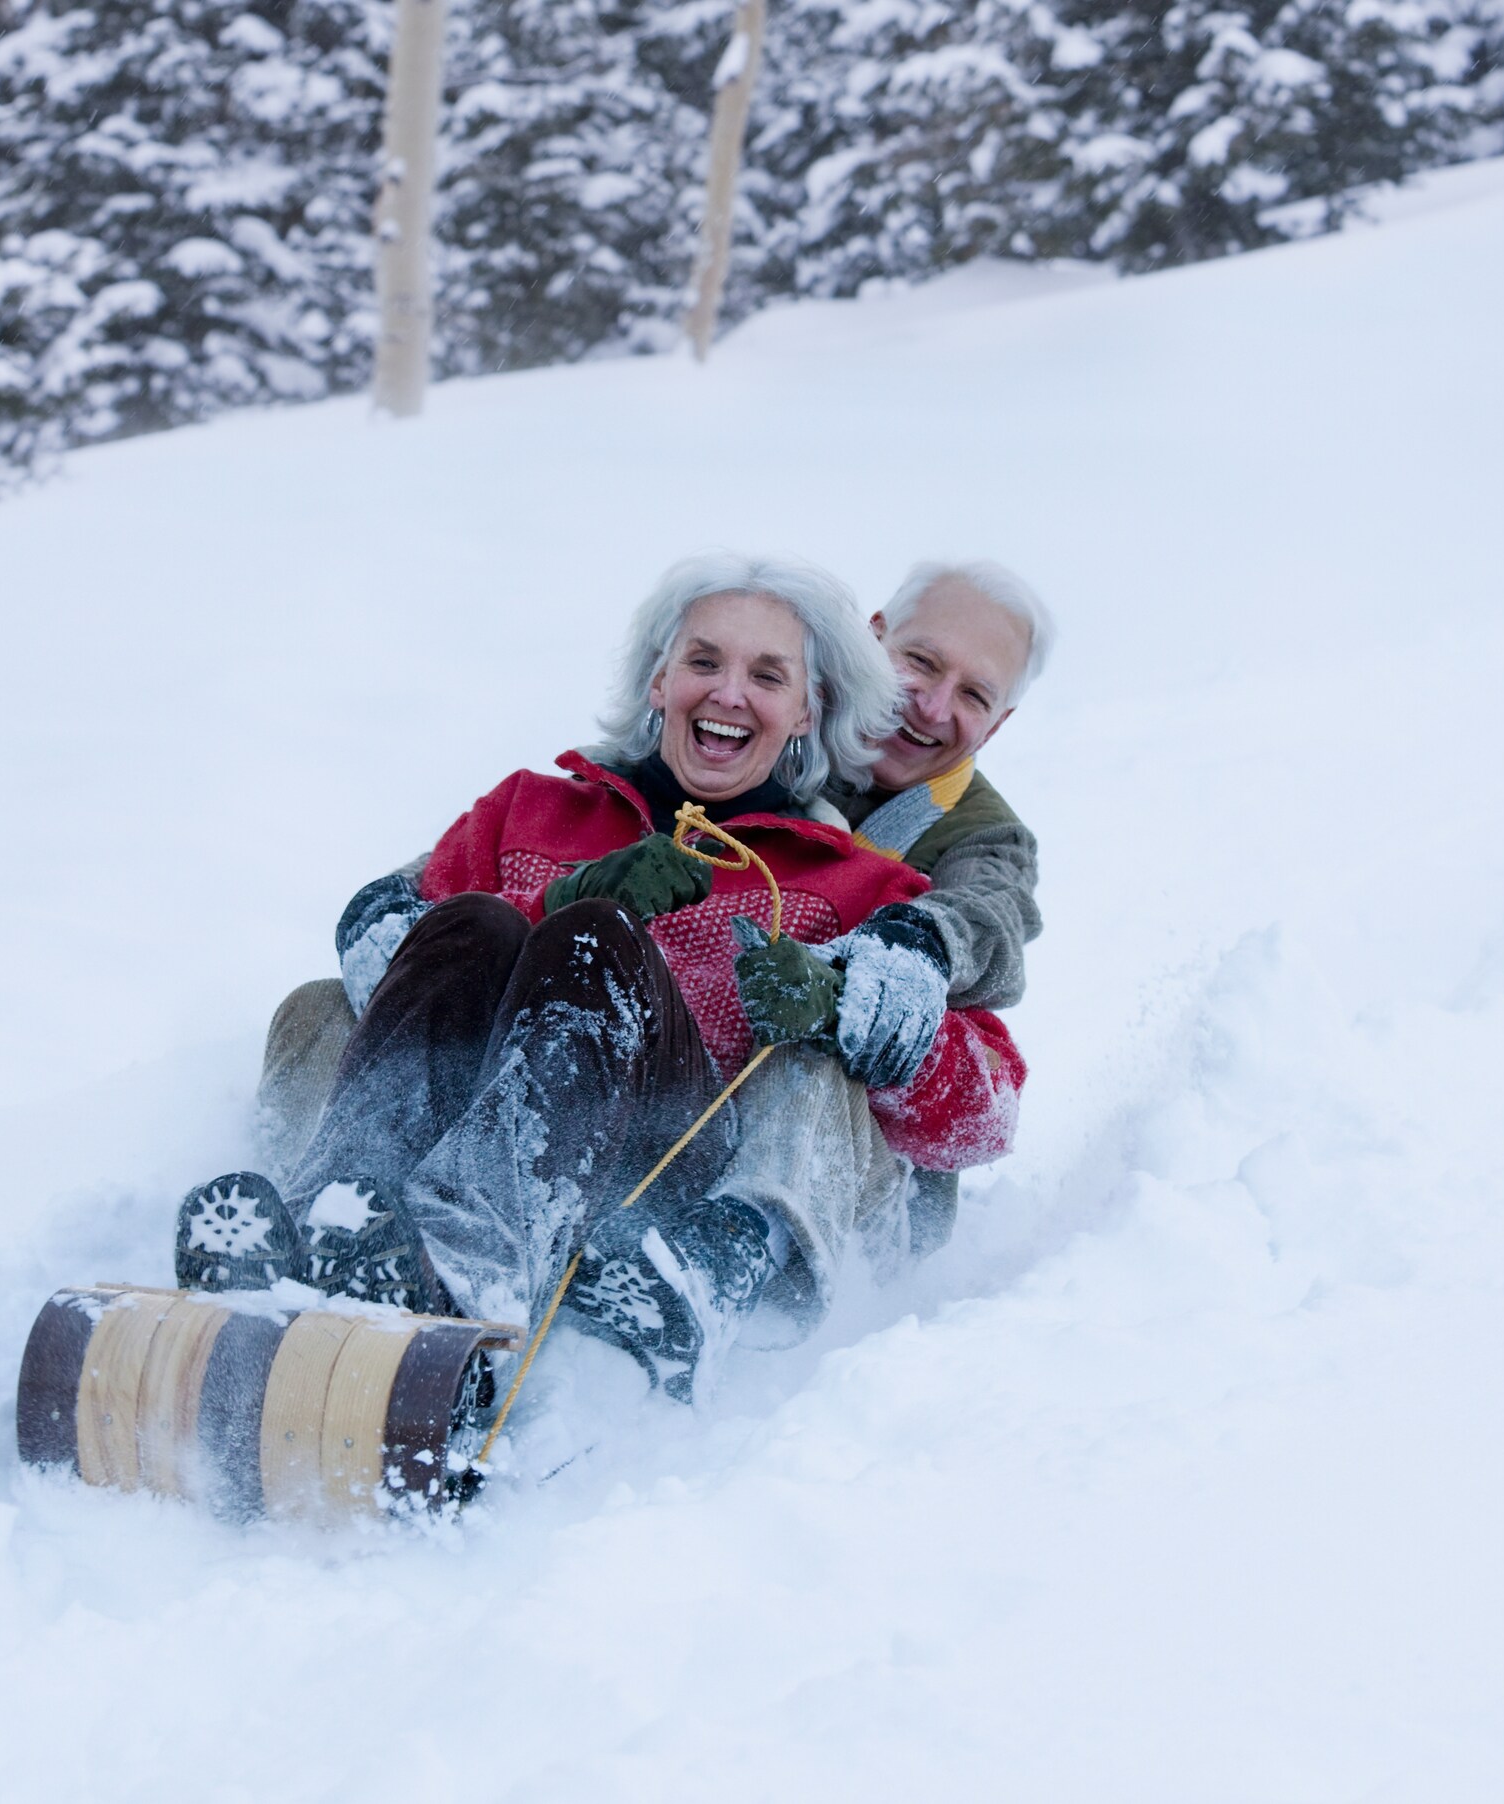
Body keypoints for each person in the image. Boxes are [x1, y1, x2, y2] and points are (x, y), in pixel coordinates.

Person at [177, 554, 1026, 1401]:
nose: (728, 694)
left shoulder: (854, 886)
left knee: (596, 941)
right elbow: (383, 941)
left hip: (653, 1185)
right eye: (703, 662)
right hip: (454, 1125)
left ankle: (467, 1271)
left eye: (767, 676)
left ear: (811, 710)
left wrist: (849, 1004)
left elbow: (986, 1112)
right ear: (658, 680)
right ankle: (322, 1225)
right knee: (461, 928)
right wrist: (550, 895)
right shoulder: (530, 809)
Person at [827, 560, 1052, 1255]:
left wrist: (924, 936)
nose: (931, 707)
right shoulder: (772, 740)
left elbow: (995, 914)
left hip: (860, 1176)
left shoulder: (984, 834)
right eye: (921, 661)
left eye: (974, 694)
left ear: (998, 723)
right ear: (872, 639)